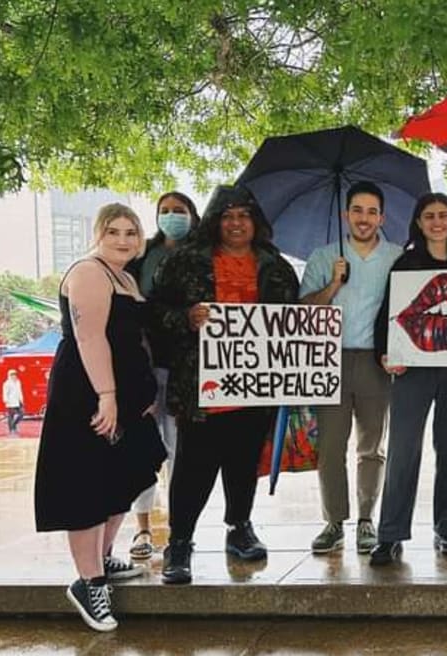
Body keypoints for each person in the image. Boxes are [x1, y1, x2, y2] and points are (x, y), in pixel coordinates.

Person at [150, 184, 298, 585]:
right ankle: (179, 543)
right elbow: (154, 312)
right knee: (192, 469)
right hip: (201, 387)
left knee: (243, 464)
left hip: (256, 387)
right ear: (215, 221)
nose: (235, 223)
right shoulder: (183, 261)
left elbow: (292, 322)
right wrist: (185, 317)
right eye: (227, 216)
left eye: (243, 215)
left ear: (255, 222)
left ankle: (239, 528)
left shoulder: (276, 265)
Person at [34, 203, 167, 632]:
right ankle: (89, 582)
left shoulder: (125, 277)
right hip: (87, 392)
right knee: (87, 485)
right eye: (114, 232)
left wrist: (139, 394)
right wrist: (107, 396)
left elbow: (133, 340)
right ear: (98, 234)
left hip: (125, 393)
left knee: (128, 473)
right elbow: (90, 338)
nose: (124, 240)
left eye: (131, 232)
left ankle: (104, 556)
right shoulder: (89, 271)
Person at [368, 192, 447, 566]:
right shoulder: (405, 265)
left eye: (444, 215)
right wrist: (384, 353)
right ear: (419, 223)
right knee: (403, 450)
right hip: (413, 369)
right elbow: (387, 314)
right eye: (429, 216)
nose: (437, 221)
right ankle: (390, 534)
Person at [299, 181, 403, 555]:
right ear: (346, 215)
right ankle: (333, 521)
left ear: (381, 217)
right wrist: (332, 284)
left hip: (376, 361)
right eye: (357, 210)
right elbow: (304, 308)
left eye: (372, 211)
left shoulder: (395, 256)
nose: (364, 218)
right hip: (330, 359)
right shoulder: (324, 255)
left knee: (371, 446)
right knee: (329, 446)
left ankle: (365, 520)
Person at [125, 191, 201, 561]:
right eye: (165, 211)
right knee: (143, 452)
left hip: (189, 371)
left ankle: (179, 533)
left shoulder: (204, 257)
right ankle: (142, 528)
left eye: (179, 211)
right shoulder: (141, 258)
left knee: (180, 455)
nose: (172, 216)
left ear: (193, 215)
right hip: (145, 367)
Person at [2, 370, 24, 436]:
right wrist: (6, 400)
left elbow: (20, 391)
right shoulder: (7, 383)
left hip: (18, 401)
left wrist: (21, 399)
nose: (14, 376)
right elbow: (5, 393)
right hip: (10, 402)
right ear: (9, 375)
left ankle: (13, 425)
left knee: (21, 414)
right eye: (12, 375)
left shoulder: (18, 382)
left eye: (15, 374)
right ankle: (11, 429)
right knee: (10, 416)